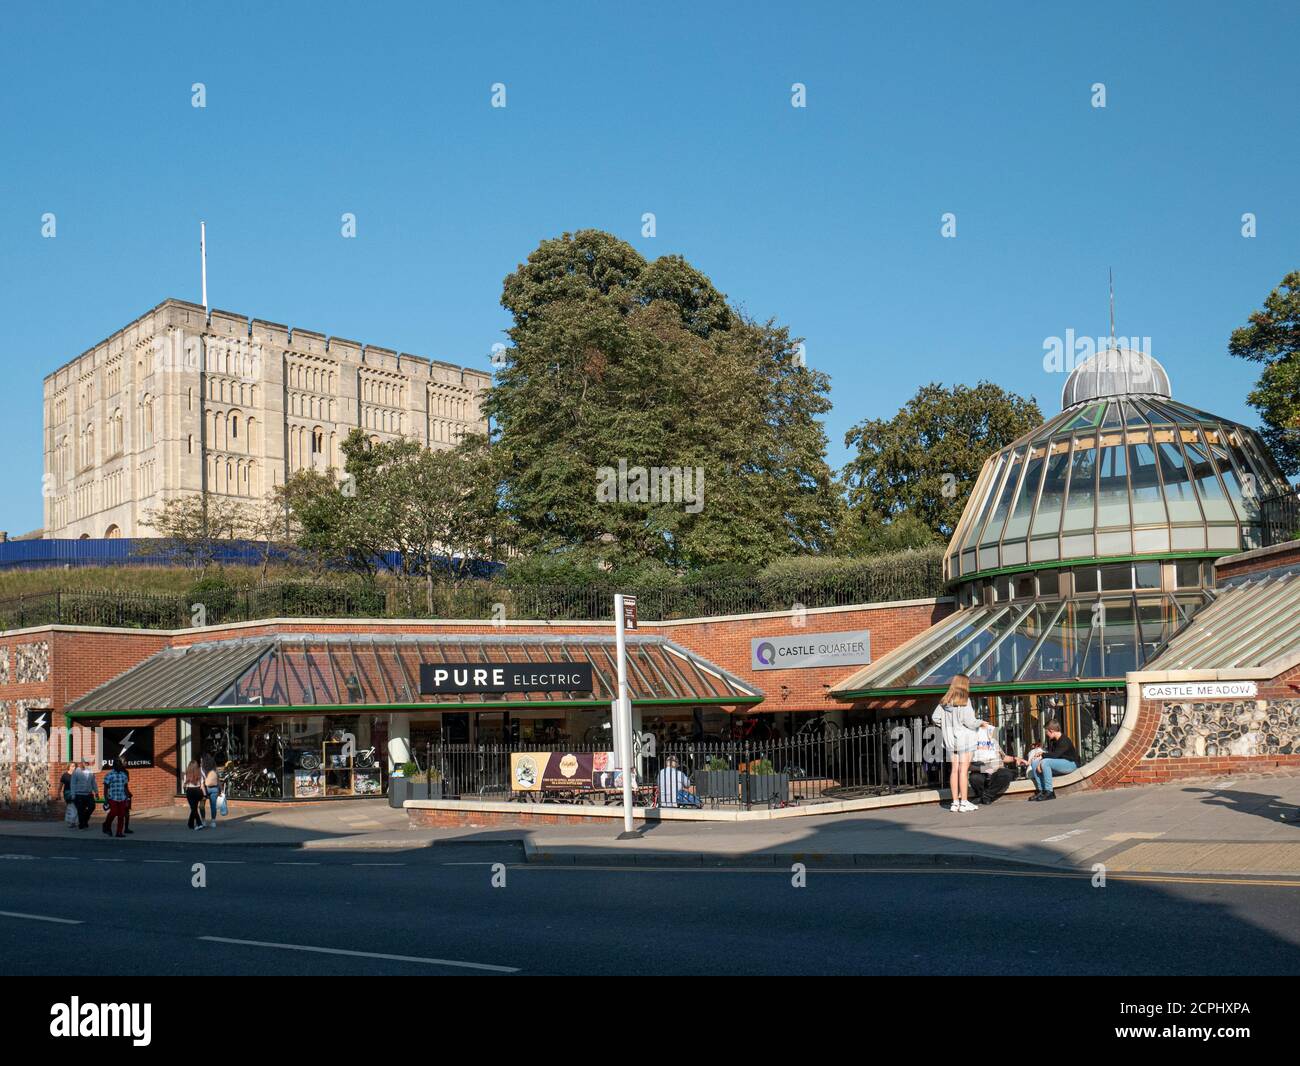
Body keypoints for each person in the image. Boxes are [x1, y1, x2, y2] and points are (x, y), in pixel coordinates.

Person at [931, 673, 990, 813]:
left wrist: (947, 727)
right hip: (965, 739)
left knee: (954, 770)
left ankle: (955, 802)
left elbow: (935, 717)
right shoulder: (965, 701)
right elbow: (969, 722)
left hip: (950, 740)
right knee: (963, 771)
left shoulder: (944, 701)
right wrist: (981, 723)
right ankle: (964, 802)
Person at [1027, 719, 1079, 801]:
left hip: (1071, 764)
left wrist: (1042, 756)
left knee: (1045, 762)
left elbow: (1054, 755)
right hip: (1059, 764)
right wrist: (1039, 759)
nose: (1046, 734)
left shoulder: (1064, 740)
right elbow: (1051, 755)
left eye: (1046, 732)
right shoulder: (1053, 740)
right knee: (1034, 762)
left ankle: (1049, 792)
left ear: (1051, 731)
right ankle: (1042, 790)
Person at [968, 722, 1019, 805]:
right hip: (982, 772)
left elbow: (1003, 757)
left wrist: (1015, 758)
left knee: (1006, 774)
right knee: (975, 778)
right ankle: (983, 796)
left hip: (997, 771)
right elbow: (968, 766)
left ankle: (985, 796)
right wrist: (985, 769)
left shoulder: (994, 742)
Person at [101, 758, 130, 838]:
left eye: (119, 764)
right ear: (113, 766)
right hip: (112, 797)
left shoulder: (123, 775)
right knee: (113, 812)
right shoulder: (109, 775)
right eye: (116, 764)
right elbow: (105, 788)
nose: (118, 766)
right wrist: (106, 799)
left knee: (121, 815)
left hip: (122, 797)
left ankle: (119, 832)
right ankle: (106, 824)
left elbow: (126, 787)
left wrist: (127, 798)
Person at [70, 760, 98, 829]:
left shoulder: (90, 771)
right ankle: (82, 824)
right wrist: (73, 795)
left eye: (86, 763)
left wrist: (96, 792)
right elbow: (72, 784)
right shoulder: (76, 772)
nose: (85, 764)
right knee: (80, 810)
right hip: (79, 794)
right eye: (84, 762)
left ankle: (85, 820)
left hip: (89, 794)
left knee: (92, 807)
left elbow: (93, 783)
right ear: (80, 763)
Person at [184, 760, 207, 830]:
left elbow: (184, 785)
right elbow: (202, 786)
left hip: (190, 791)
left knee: (193, 809)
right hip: (198, 792)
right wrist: (204, 795)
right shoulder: (200, 774)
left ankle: (199, 824)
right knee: (194, 808)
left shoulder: (186, 774)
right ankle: (190, 824)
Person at [202, 753, 221, 827]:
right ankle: (213, 822)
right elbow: (218, 780)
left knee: (202, 805)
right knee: (213, 806)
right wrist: (220, 789)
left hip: (205, 788)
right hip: (214, 788)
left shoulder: (202, 769)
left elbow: (201, 780)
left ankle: (203, 821)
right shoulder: (215, 769)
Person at [60, 762, 77, 828]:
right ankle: (71, 821)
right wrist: (58, 793)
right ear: (69, 767)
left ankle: (71, 821)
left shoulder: (77, 775)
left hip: (76, 792)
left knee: (74, 807)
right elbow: (60, 785)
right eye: (72, 766)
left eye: (74, 766)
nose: (73, 767)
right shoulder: (65, 775)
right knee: (71, 806)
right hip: (68, 793)